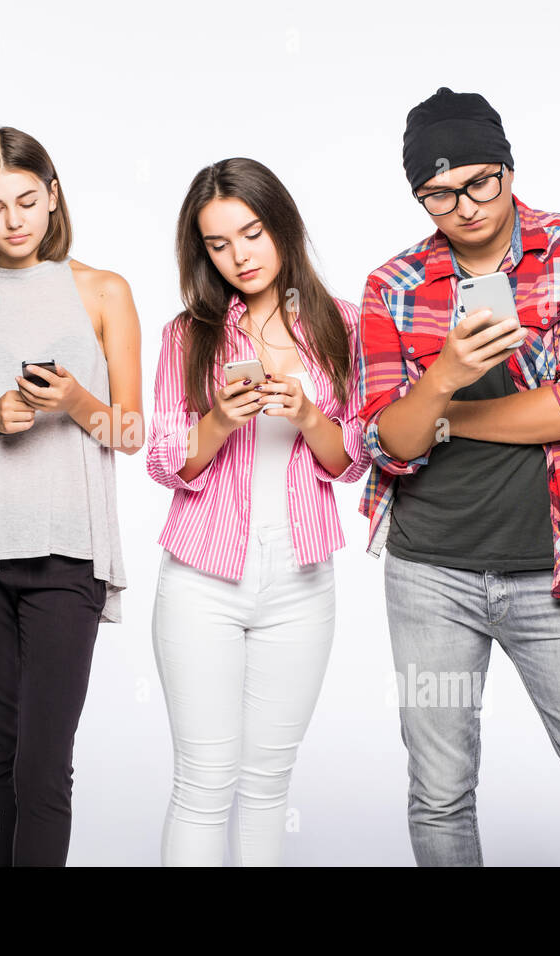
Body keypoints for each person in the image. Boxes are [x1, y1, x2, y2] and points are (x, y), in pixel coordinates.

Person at [358, 87, 560, 865]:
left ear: (507, 165)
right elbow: (386, 443)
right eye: (437, 193)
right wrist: (442, 378)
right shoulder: (391, 286)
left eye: (478, 183)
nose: (461, 207)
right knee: (440, 795)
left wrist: (447, 418)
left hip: (551, 570)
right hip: (429, 575)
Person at [0, 126, 141, 866]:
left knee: (42, 765)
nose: (12, 220)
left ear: (53, 195)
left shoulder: (105, 291)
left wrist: (77, 400)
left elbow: (132, 430)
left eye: (25, 199)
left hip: (66, 549)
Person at [146, 158, 369, 866]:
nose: (240, 255)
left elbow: (353, 461)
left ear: (283, 227)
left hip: (302, 581)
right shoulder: (190, 334)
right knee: (204, 784)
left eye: (252, 232)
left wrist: (306, 412)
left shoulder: (341, 326)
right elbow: (160, 459)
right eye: (218, 243)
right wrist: (215, 421)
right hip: (201, 580)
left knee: (270, 784)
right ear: (202, 252)